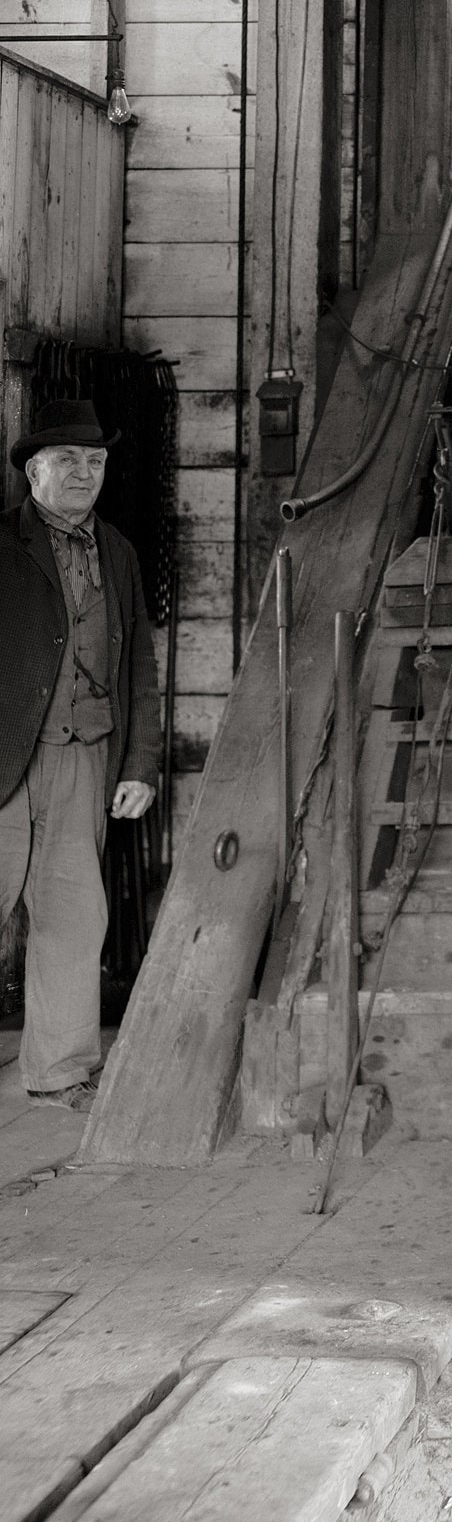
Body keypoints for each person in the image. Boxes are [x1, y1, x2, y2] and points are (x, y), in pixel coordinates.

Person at [0, 402, 160, 1107]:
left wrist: (140, 764)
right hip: (6, 754)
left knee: (73, 915)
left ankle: (60, 1071)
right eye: (68, 460)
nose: (84, 474)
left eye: (94, 462)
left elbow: (139, 669)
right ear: (34, 471)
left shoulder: (117, 550)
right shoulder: (3, 542)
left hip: (84, 755)